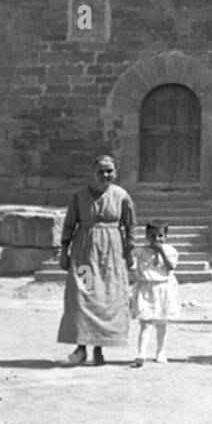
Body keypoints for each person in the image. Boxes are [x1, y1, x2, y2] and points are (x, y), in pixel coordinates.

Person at [57, 154, 135, 366]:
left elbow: (130, 227)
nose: (105, 175)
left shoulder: (122, 196)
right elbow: (69, 225)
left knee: (105, 299)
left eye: (109, 171)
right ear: (93, 173)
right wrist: (64, 251)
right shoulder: (80, 196)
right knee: (83, 296)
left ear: (116, 172)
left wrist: (129, 253)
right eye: (101, 171)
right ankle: (81, 348)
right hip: (84, 253)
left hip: (111, 256)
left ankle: (99, 349)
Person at [129, 225, 180, 368]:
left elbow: (170, 267)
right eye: (152, 236)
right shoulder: (140, 251)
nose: (156, 239)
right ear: (146, 236)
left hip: (163, 288)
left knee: (161, 323)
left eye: (160, 236)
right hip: (146, 287)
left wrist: (161, 252)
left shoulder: (170, 251)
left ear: (165, 236)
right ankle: (141, 353)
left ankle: (160, 352)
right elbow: (130, 262)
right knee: (145, 322)